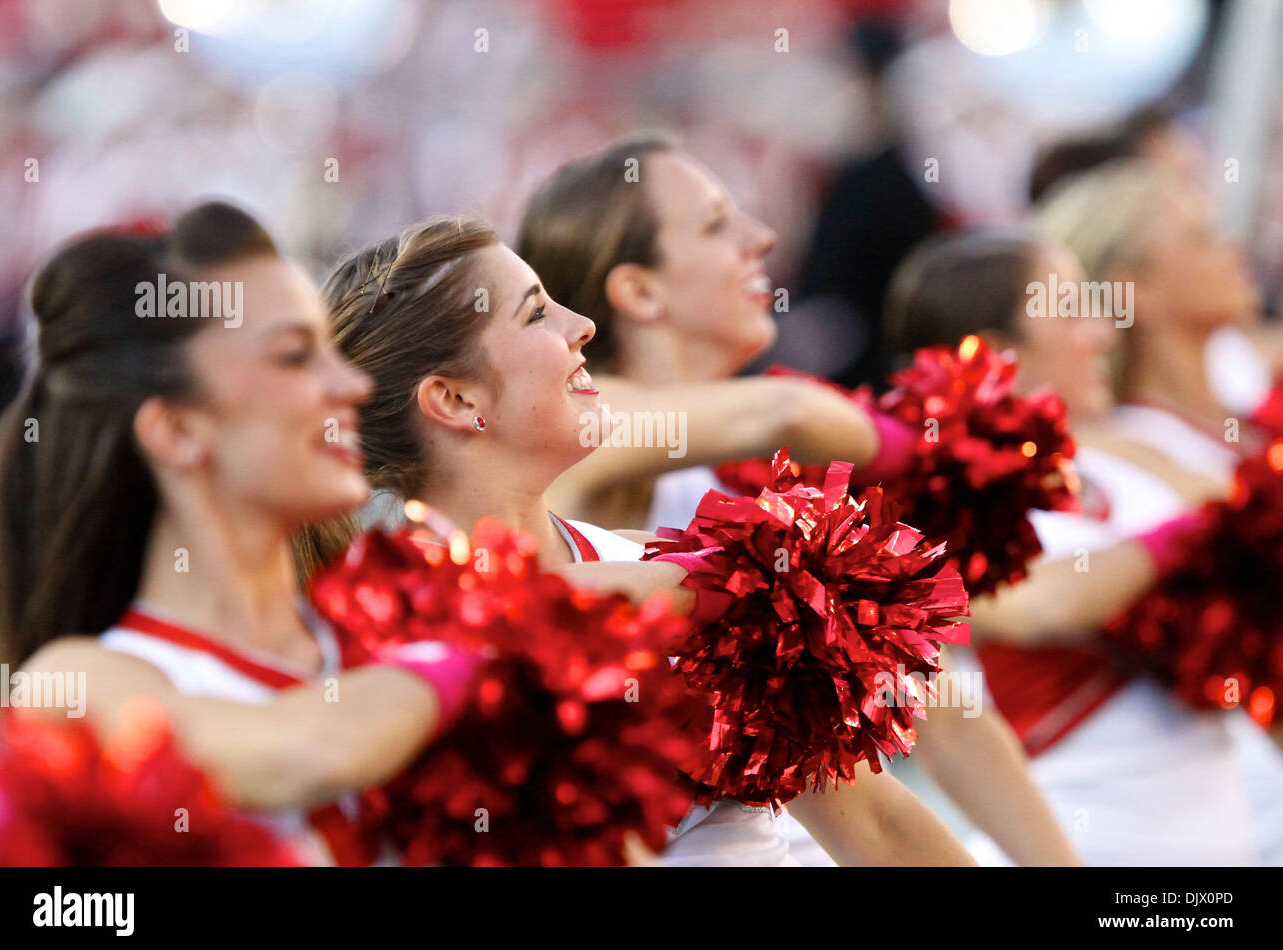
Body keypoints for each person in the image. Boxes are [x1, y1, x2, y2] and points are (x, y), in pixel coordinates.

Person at [299, 213, 978, 866]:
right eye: (536, 313)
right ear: (455, 401)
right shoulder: (381, 639)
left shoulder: (660, 566)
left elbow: (878, 828)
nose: (580, 326)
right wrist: (705, 585)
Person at [516, 137, 1080, 867]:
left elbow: (944, 722)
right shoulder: (588, 433)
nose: (764, 239)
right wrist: (927, 447)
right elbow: (778, 409)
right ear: (640, 292)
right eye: (719, 225)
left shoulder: (760, 486)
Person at [0, 203, 472, 865]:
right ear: (179, 431)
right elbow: (308, 750)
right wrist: (490, 638)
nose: (351, 384)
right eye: (296, 357)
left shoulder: (390, 617)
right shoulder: (76, 687)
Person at [886, 219, 1272, 865]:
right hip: (1084, 853)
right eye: (1070, 310)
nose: (1100, 332)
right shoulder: (935, 510)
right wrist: (1203, 530)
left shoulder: (1123, 452)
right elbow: (1040, 605)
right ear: (995, 351)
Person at [1033, 159, 1283, 864]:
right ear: (1132, 288)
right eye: (1201, 237)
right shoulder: (1104, 464)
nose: (1232, 248)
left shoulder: (1248, 422)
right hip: (1189, 834)